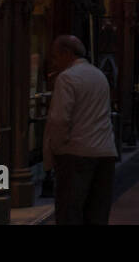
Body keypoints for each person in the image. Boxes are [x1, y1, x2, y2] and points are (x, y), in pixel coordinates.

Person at [42, 35, 118, 224]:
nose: (54, 62)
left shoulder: (67, 78)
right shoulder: (99, 75)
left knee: (70, 211)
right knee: (97, 212)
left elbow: (59, 119)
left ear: (66, 53)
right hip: (104, 152)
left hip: (76, 153)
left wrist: (57, 150)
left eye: (55, 56)